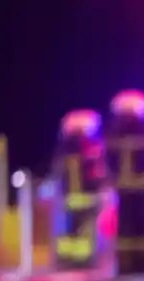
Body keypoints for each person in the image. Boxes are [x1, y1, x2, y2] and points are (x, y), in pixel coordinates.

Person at [105, 90, 144, 275]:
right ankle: (139, 264)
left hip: (132, 187)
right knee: (135, 225)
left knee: (131, 225)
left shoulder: (118, 133)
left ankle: (131, 264)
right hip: (138, 187)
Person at [51, 109, 105, 268]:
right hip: (83, 196)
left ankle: (69, 258)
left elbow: (59, 172)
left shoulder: (65, 150)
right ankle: (81, 259)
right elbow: (97, 174)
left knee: (71, 228)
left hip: (71, 196)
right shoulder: (90, 149)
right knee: (83, 228)